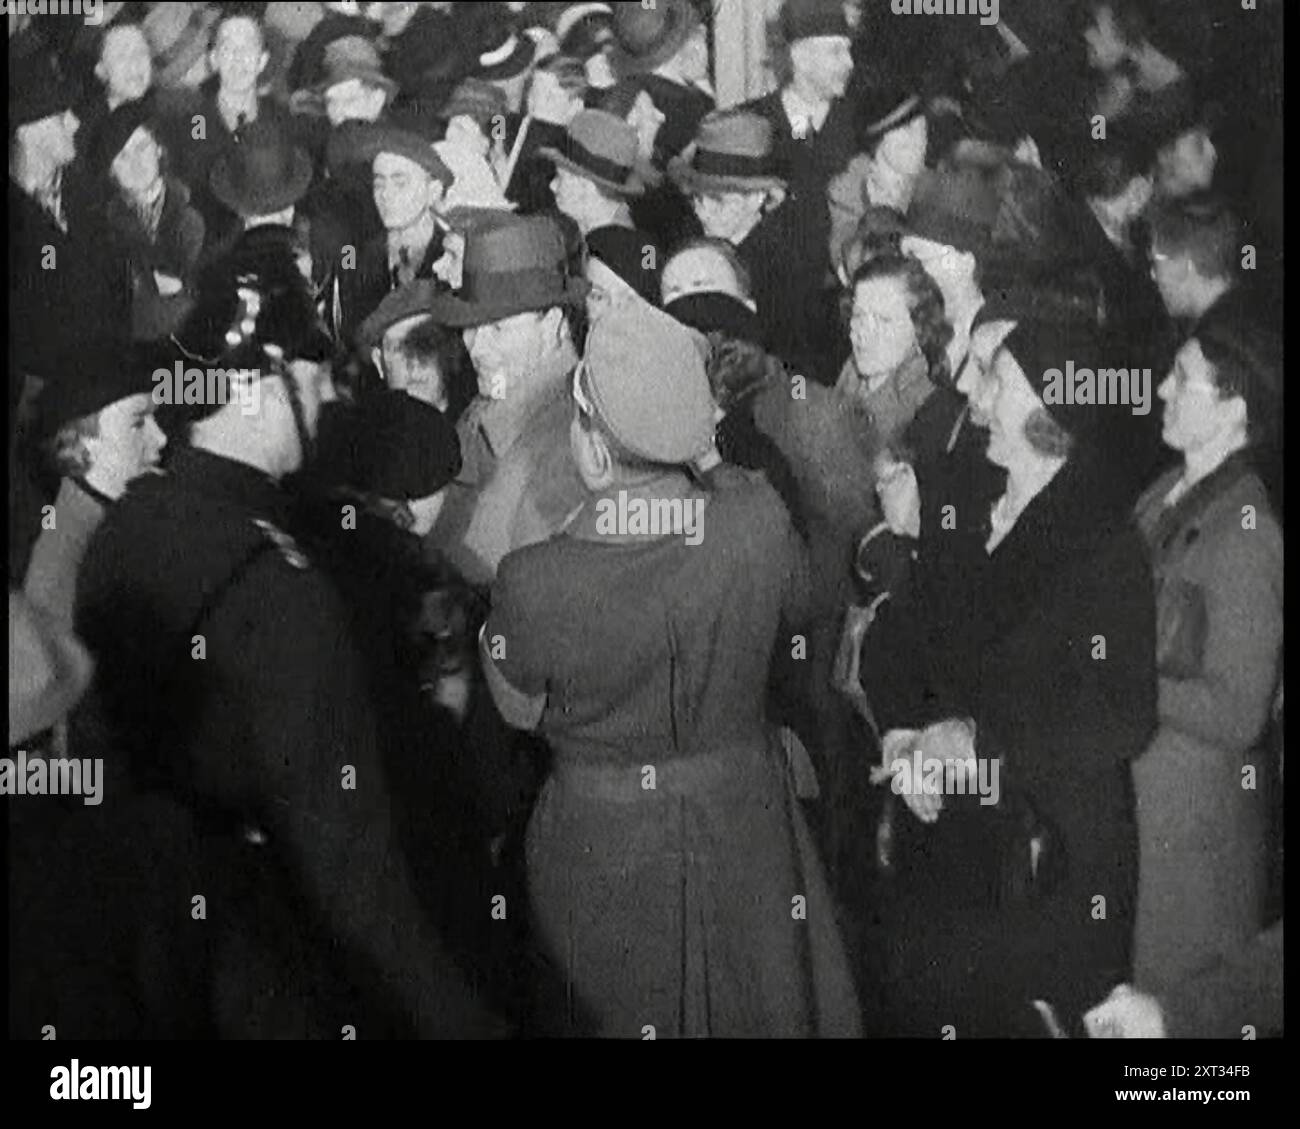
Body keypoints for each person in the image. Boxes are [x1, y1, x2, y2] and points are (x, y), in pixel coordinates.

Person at [74, 228, 501, 1039]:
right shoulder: (282, 592)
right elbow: (353, 879)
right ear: (263, 387)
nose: (330, 397)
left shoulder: (128, 525)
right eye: (311, 377)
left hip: (147, 952)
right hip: (262, 967)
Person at [481, 298, 860, 1037]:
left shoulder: (533, 577)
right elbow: (797, 580)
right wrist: (707, 457)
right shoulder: (755, 521)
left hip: (603, 848)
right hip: (747, 825)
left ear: (591, 446)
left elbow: (518, 707)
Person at [864, 313, 1158, 1038]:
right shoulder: (966, 494)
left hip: (1045, 868)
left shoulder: (1103, 544)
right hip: (941, 840)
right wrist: (905, 738)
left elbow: (1121, 714)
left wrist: (973, 743)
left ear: (1053, 412)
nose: (981, 400)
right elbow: (899, 639)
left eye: (999, 381)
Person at [1129, 312, 1283, 998]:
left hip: (1195, 841)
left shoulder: (1249, 533)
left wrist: (1127, 680)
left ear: (1234, 408)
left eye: (1182, 380)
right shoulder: (1160, 494)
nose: (1161, 389)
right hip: (1144, 816)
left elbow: (1241, 711)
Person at [426, 214, 589, 588]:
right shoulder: (491, 400)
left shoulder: (569, 446)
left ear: (554, 324)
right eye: (471, 327)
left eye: (498, 328)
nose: (477, 348)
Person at [24, 342, 169, 629]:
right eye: (139, 423)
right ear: (77, 442)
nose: (160, 438)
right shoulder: (62, 570)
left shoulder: (90, 524)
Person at [336, 105, 456, 345]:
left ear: (433, 191)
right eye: (379, 184)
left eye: (400, 183)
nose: (386, 195)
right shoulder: (354, 260)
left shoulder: (455, 260)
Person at [96, 106, 207, 341]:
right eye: (122, 156)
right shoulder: (101, 228)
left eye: (141, 147)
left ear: (158, 148)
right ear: (111, 171)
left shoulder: (199, 208)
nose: (135, 162)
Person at [838, 251, 954, 451]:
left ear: (920, 329)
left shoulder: (922, 409)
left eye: (884, 320)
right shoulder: (854, 369)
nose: (863, 333)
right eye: (858, 315)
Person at [541, 109, 645, 235]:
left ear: (587, 188)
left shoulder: (606, 247)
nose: (552, 185)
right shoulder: (591, 230)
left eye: (560, 177)